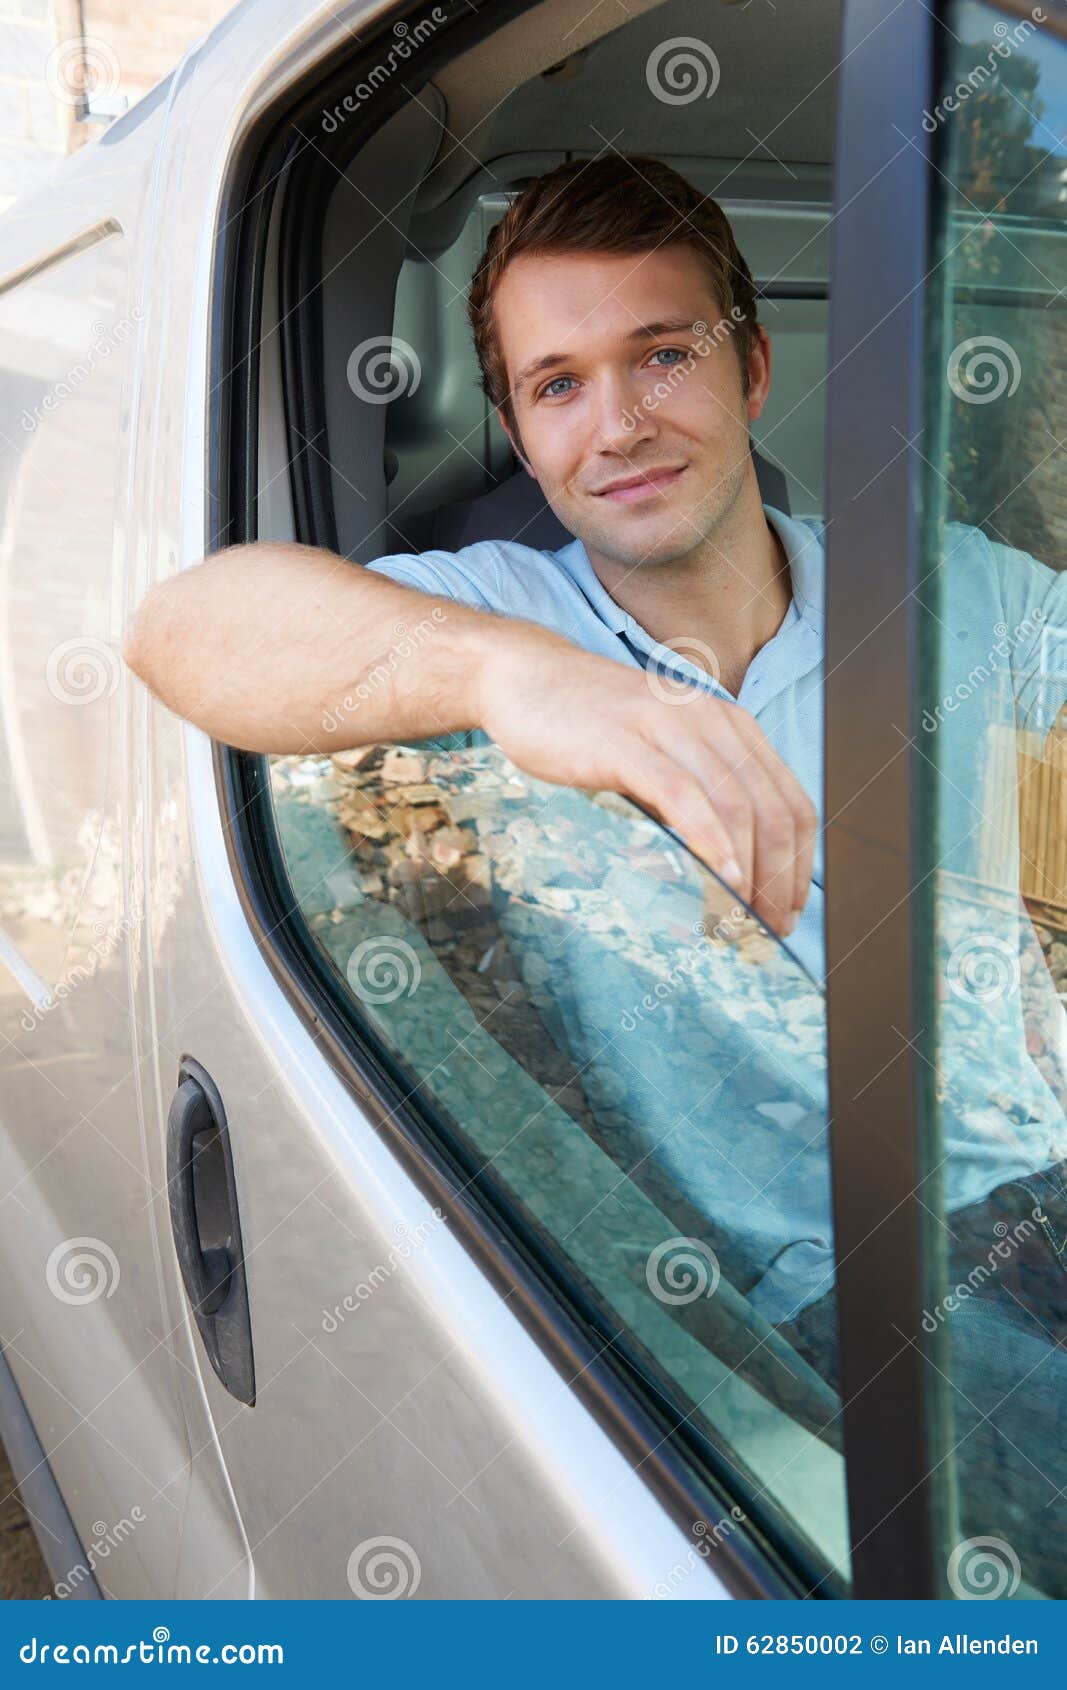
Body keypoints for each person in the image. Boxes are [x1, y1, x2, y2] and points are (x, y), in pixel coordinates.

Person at [124, 153, 1067, 1591]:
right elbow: (183, 630)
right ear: (516, 426)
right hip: (822, 1289)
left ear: (753, 370)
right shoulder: (507, 609)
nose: (618, 424)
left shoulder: (947, 587)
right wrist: (513, 679)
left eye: (662, 355)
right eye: (557, 384)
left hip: (1037, 1166)